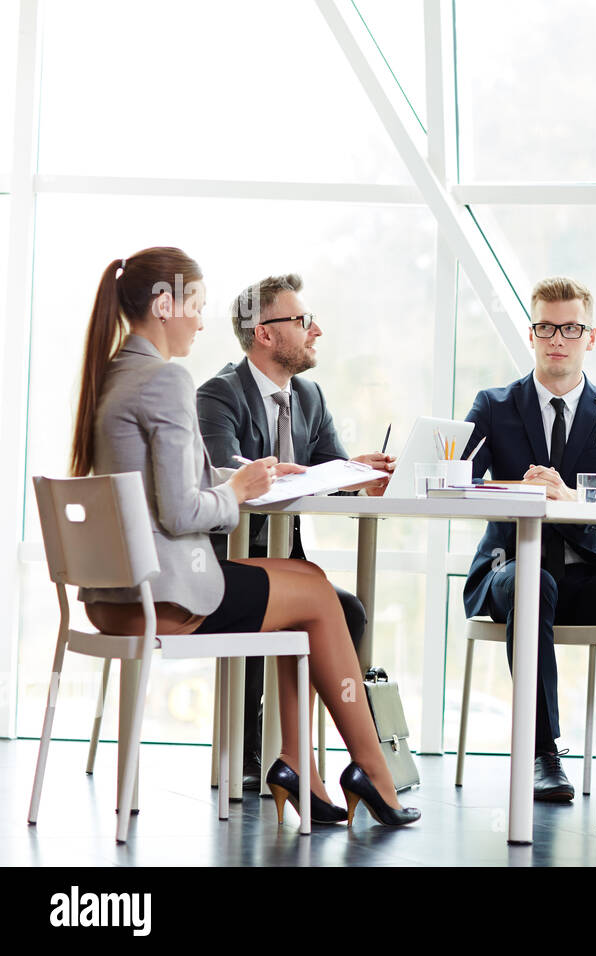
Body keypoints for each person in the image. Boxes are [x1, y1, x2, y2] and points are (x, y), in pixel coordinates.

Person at [71, 247, 418, 828]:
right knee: (316, 591)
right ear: (164, 304)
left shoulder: (117, 376)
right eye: (197, 306)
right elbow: (183, 514)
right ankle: (370, 769)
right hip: (167, 600)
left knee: (307, 591)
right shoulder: (168, 380)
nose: (203, 322)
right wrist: (236, 493)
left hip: (115, 601)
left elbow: (172, 483)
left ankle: (297, 764)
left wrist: (240, 478)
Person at [462, 276, 596, 803]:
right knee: (533, 581)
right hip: (508, 571)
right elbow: (459, 480)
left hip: (584, 574)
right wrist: (515, 491)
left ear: (590, 336)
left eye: (570, 328)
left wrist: (565, 497)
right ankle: (543, 754)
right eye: (546, 327)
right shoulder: (493, 405)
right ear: (531, 333)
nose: (557, 338)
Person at [196, 273, 393, 791]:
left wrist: (358, 475)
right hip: (227, 559)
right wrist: (314, 473)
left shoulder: (309, 396)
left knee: (347, 610)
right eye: (303, 320)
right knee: (279, 611)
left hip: (288, 559)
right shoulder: (217, 395)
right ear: (264, 333)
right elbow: (226, 475)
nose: (316, 330)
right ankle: (249, 748)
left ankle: (292, 749)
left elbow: (329, 468)